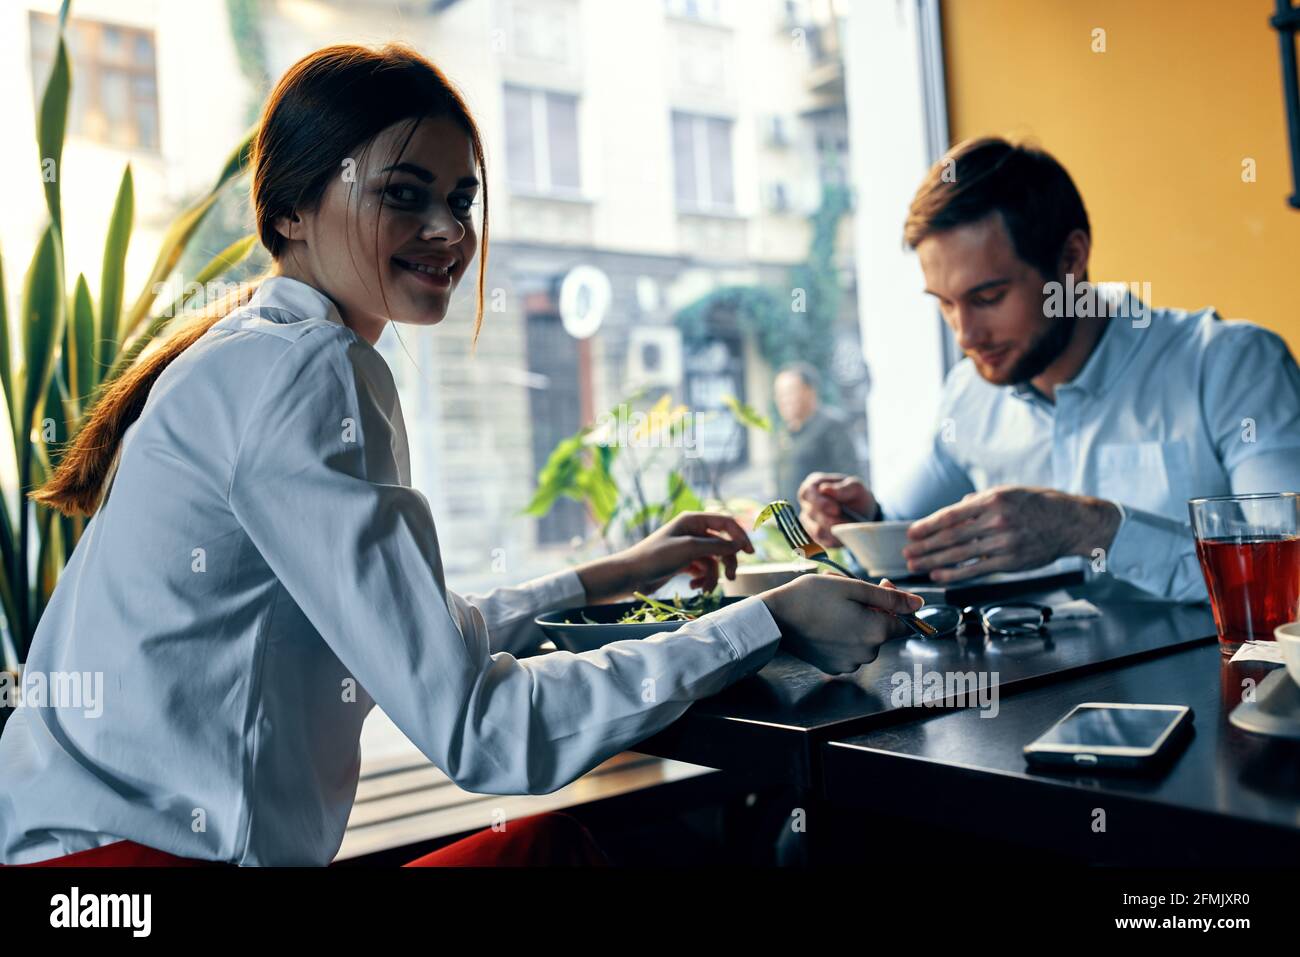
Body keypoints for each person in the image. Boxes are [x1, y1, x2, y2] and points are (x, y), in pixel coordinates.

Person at [0, 44, 923, 867]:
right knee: (553, 850)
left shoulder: (262, 352)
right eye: (404, 194)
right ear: (288, 211)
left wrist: (611, 573)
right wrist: (763, 620)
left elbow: (418, 638)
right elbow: (485, 731)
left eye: (461, 198)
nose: (449, 229)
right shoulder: (306, 370)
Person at [799, 137, 1300, 602]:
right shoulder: (970, 395)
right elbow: (908, 538)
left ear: (1071, 259)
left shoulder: (1232, 365)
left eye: (988, 297)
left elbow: (1287, 578)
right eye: (945, 304)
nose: (965, 335)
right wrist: (859, 519)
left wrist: (1089, 528)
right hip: (1034, 694)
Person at [773, 362, 860, 507]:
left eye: (789, 393)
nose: (783, 400)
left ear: (810, 391)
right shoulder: (784, 432)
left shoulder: (832, 425)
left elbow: (850, 478)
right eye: (779, 394)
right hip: (791, 524)